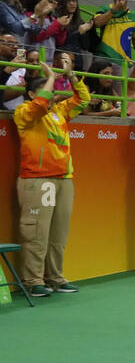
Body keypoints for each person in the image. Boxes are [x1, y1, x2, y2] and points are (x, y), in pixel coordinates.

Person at [13, 61, 90, 296]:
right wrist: (50, 77)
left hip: (64, 179)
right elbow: (41, 103)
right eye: (48, 90)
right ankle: (33, 281)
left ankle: (55, 277)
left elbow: (84, 100)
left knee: (58, 234)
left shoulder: (60, 112)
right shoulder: (25, 112)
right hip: (39, 180)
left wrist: (71, 76)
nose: (53, 95)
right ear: (31, 93)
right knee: (37, 233)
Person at [94, 0, 135, 67]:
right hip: (104, 58)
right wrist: (115, 9)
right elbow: (97, 23)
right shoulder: (105, 9)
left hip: (124, 62)